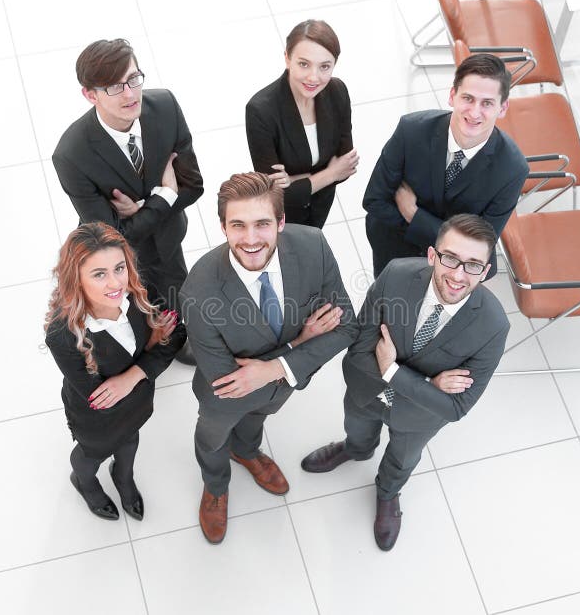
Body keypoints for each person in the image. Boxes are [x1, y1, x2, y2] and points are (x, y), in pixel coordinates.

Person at [301, 214, 510, 551]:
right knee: (357, 430)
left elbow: (456, 407)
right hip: (366, 391)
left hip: (417, 417)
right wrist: (430, 384)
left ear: (485, 272)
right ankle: (355, 450)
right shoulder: (397, 275)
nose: (458, 275)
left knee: (403, 457)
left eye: (472, 265)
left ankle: (387, 493)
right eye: (450, 258)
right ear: (432, 255)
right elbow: (358, 348)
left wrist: (394, 371)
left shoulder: (493, 326)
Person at [179, 172, 359, 544]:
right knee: (211, 441)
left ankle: (246, 451)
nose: (250, 238)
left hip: (281, 387)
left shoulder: (313, 247)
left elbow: (347, 327)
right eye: (238, 225)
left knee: (255, 423)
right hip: (223, 400)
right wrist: (300, 343)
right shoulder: (199, 291)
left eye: (262, 223)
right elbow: (226, 383)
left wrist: (275, 368)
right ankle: (215, 485)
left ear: (280, 222)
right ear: (223, 227)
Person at [52, 38, 202, 364]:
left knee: (175, 284)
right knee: (129, 301)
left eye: (134, 79)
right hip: (118, 256)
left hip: (168, 235)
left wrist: (142, 210)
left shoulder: (164, 106)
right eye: (114, 87)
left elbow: (193, 185)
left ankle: (178, 335)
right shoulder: (71, 154)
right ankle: (141, 342)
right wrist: (162, 197)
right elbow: (113, 235)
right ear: (90, 95)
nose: (130, 94)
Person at [45, 222, 186, 521]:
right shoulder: (63, 334)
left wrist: (133, 375)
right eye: (99, 274)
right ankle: (84, 482)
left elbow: (178, 335)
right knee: (90, 455)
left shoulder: (140, 292)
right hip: (95, 418)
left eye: (119, 268)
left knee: (131, 441)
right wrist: (152, 350)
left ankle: (123, 478)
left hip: (136, 402)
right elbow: (101, 400)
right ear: (76, 279)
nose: (115, 283)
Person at [362, 53, 528, 279]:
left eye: (487, 103)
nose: (475, 112)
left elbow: (481, 245)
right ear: (452, 96)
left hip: (455, 267)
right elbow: (374, 200)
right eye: (468, 98)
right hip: (396, 243)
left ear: (503, 107)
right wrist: (451, 241)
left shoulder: (512, 169)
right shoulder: (411, 130)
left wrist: (414, 215)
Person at [246, 19, 358, 228]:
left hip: (320, 206)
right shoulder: (261, 110)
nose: (313, 77)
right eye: (303, 64)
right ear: (287, 59)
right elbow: (277, 194)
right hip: (282, 217)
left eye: (325, 66)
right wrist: (330, 173)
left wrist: (298, 180)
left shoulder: (337, 92)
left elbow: (347, 167)